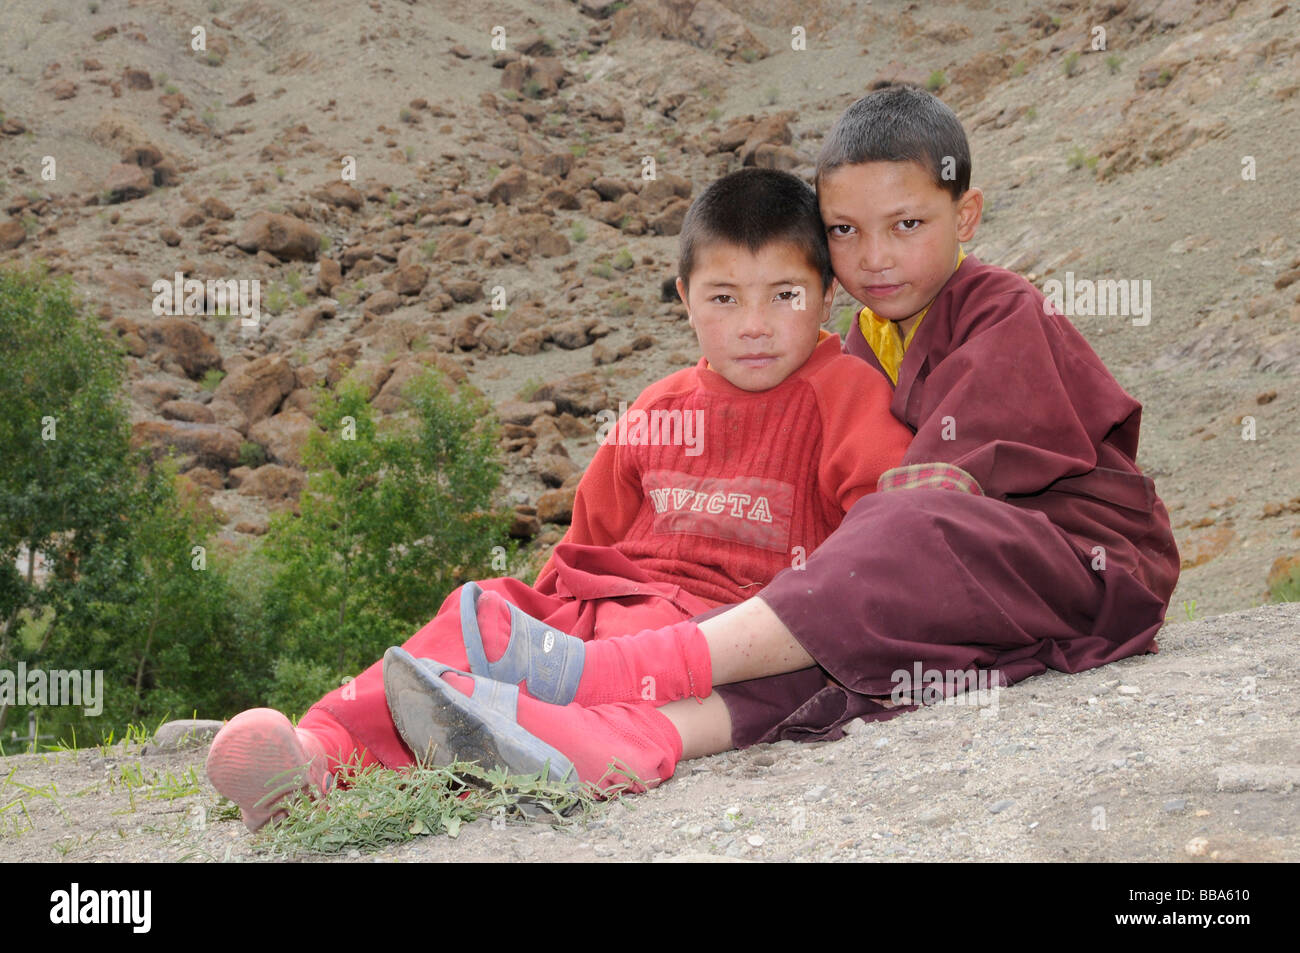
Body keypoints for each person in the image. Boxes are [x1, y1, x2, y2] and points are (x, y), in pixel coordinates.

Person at [380, 84, 1181, 792]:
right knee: (832, 647)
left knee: (893, 532)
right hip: (969, 598)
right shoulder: (866, 342)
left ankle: (609, 675)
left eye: (907, 224)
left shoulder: (1001, 310)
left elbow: (924, 515)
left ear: (964, 215)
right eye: (845, 231)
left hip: (1079, 567)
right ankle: (624, 737)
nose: (877, 257)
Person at [205, 167, 914, 830]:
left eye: (784, 295)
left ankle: (534, 743)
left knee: (642, 700)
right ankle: (315, 752)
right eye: (723, 298)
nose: (753, 323)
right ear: (684, 298)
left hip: (723, 635)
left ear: (828, 294)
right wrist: (530, 627)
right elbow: (588, 542)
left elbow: (879, 540)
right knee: (477, 615)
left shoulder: (846, 393)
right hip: (607, 615)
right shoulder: (659, 406)